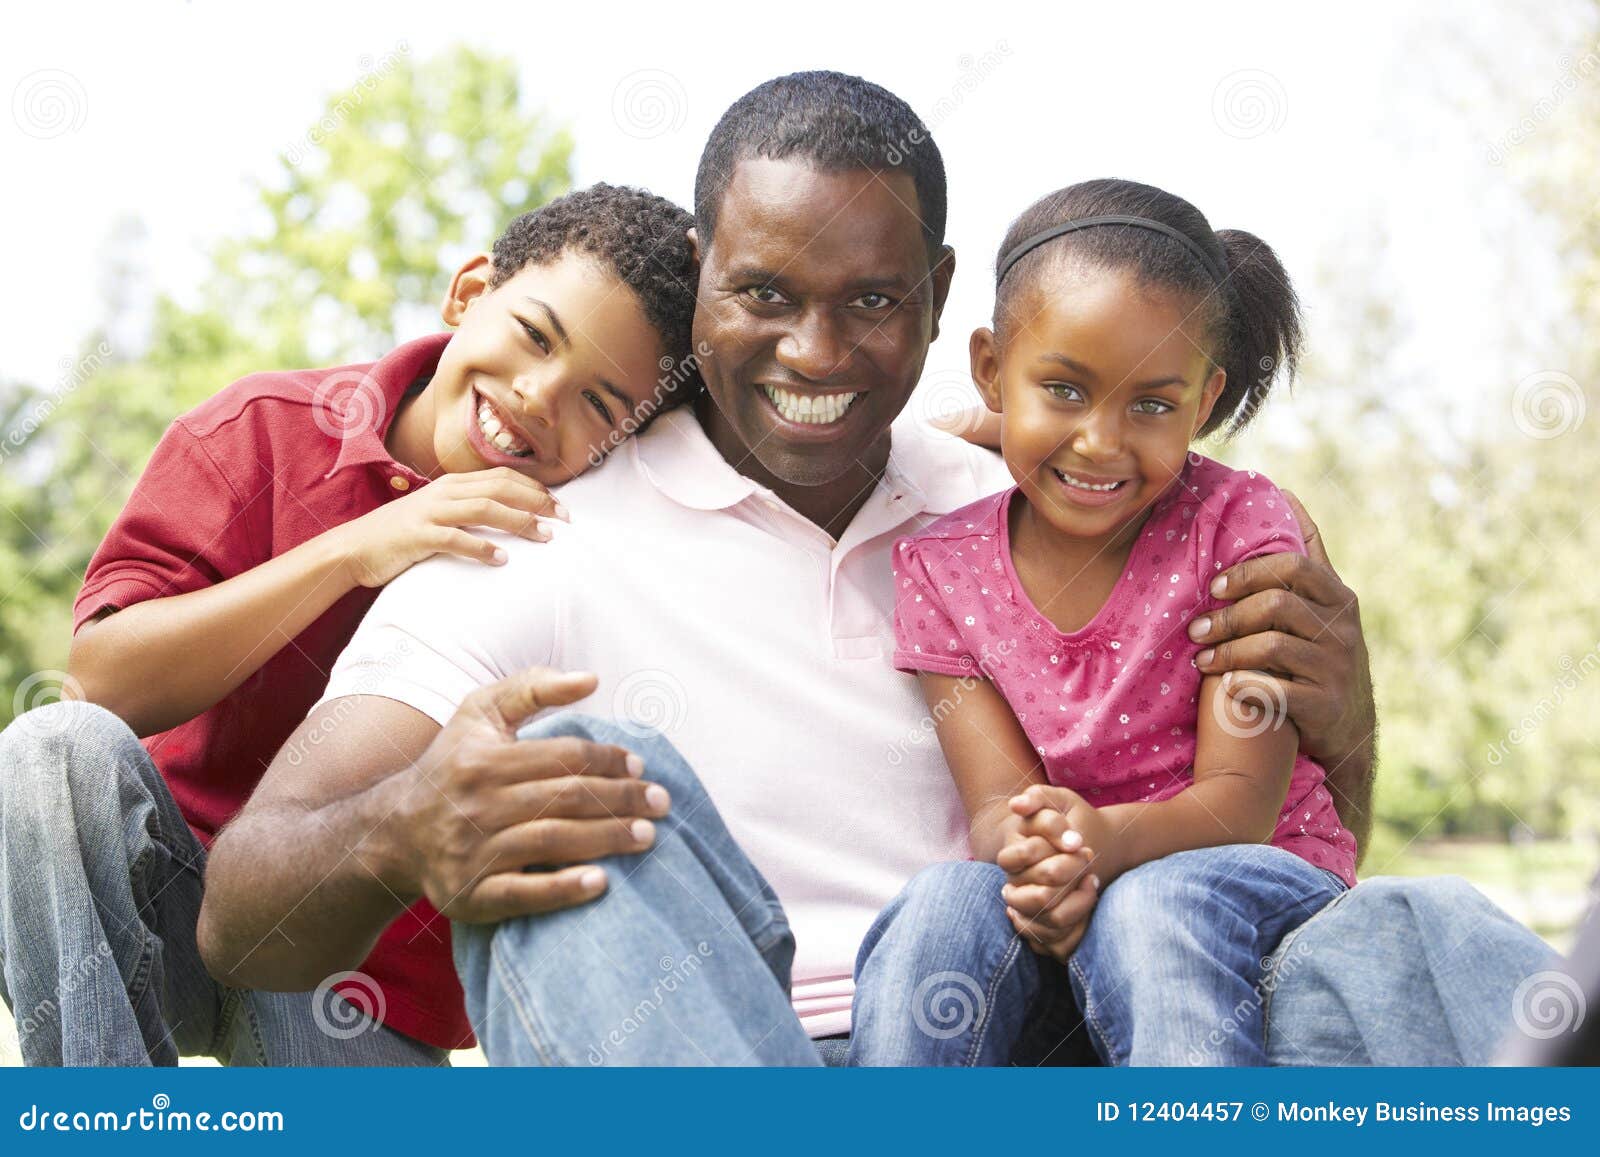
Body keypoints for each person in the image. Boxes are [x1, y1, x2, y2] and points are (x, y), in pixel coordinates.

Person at [186, 73, 1529, 1070]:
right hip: (722, 1055)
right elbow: (244, 920)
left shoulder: (1042, 505)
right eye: (765, 292)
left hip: (1023, 1049)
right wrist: (405, 821)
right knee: (585, 771)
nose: (817, 350)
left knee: (1410, 937)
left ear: (944, 304)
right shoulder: (522, 546)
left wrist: (1349, 723)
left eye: (871, 301)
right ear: (699, 277)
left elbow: (1279, 832)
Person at [0, 184, 702, 1065]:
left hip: (357, 986)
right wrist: (355, 550)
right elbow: (100, 682)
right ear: (470, 291)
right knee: (51, 750)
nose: (536, 397)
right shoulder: (260, 431)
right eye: (534, 335)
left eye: (601, 403)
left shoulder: (572, 553)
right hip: (164, 905)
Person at [890, 178, 1356, 1066]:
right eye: (1063, 389)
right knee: (939, 907)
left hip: (1249, 875)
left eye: (1151, 404)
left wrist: (1107, 842)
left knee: (1155, 907)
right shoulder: (942, 569)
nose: (1101, 440)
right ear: (990, 369)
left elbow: (1242, 801)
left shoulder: (1239, 531)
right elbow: (996, 804)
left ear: (1205, 402)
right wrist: (1042, 851)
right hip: (1078, 877)